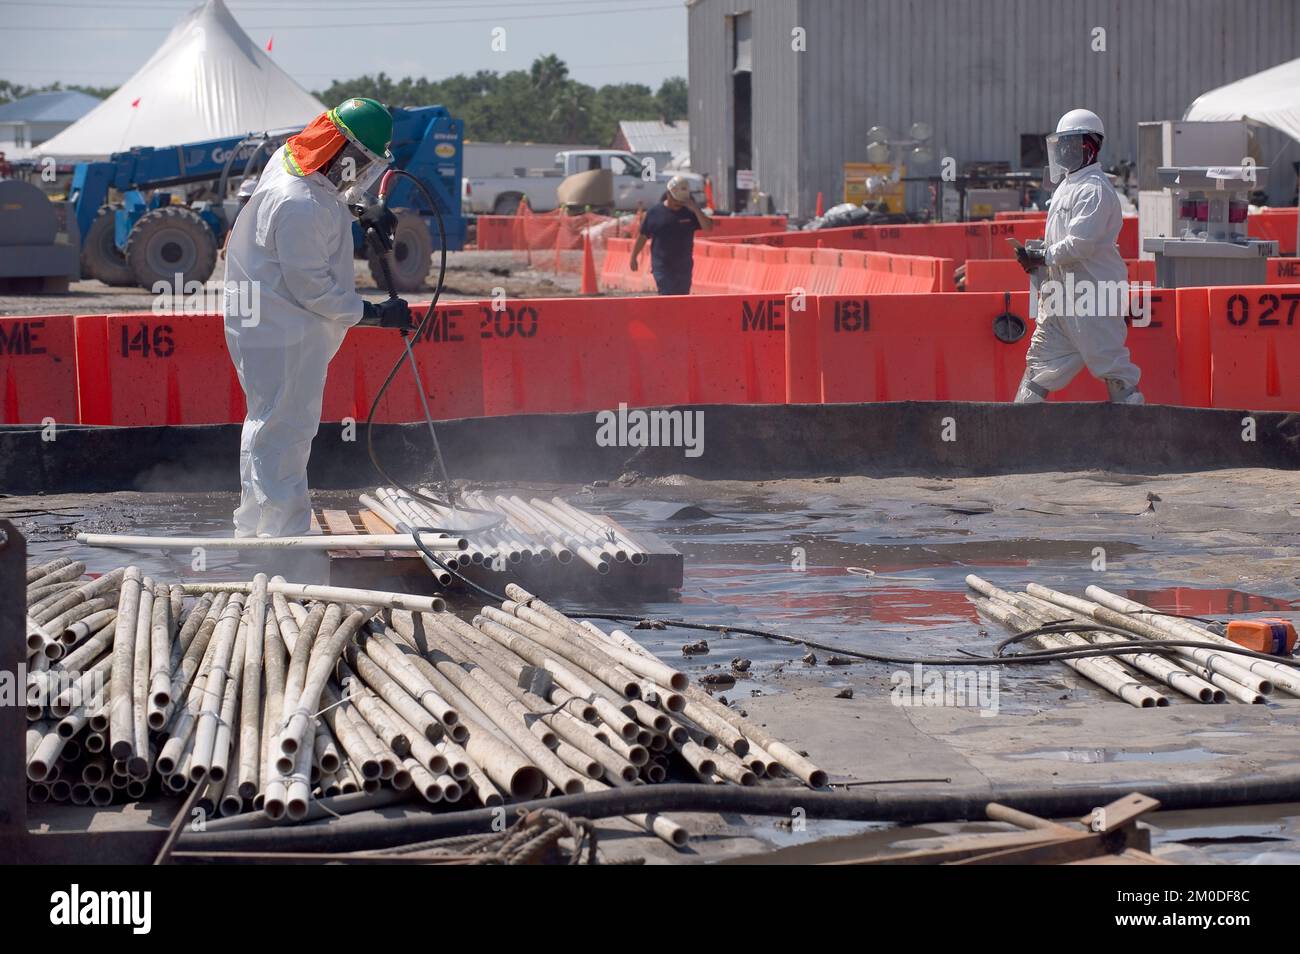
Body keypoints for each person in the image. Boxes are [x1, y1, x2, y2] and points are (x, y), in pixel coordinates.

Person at [223, 98, 412, 537]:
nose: (362, 172)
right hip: (284, 327)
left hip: (268, 319)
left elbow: (332, 190)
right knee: (286, 428)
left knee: (267, 422)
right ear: (344, 151)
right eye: (361, 162)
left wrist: (362, 209)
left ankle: (254, 528)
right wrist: (374, 314)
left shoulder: (292, 163)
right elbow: (314, 290)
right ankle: (283, 536)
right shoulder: (299, 204)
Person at [1014, 108, 1143, 405]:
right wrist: (1038, 258)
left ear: (1090, 146)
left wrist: (1042, 257)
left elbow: (1080, 245)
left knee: (1111, 366)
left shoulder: (1093, 190)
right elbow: (1060, 242)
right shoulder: (1067, 187)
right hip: (1060, 294)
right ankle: (1018, 430)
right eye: (1062, 145)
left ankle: (1137, 432)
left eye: (1072, 145)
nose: (1065, 151)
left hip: (1092, 294)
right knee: (1040, 362)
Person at [630, 175, 712, 294]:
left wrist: (696, 209)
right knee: (668, 294)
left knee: (681, 300)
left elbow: (708, 228)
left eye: (682, 201)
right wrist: (633, 257)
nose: (679, 203)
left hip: (684, 267)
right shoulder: (654, 213)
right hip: (662, 267)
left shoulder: (689, 212)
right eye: (677, 200)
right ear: (668, 194)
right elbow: (643, 236)